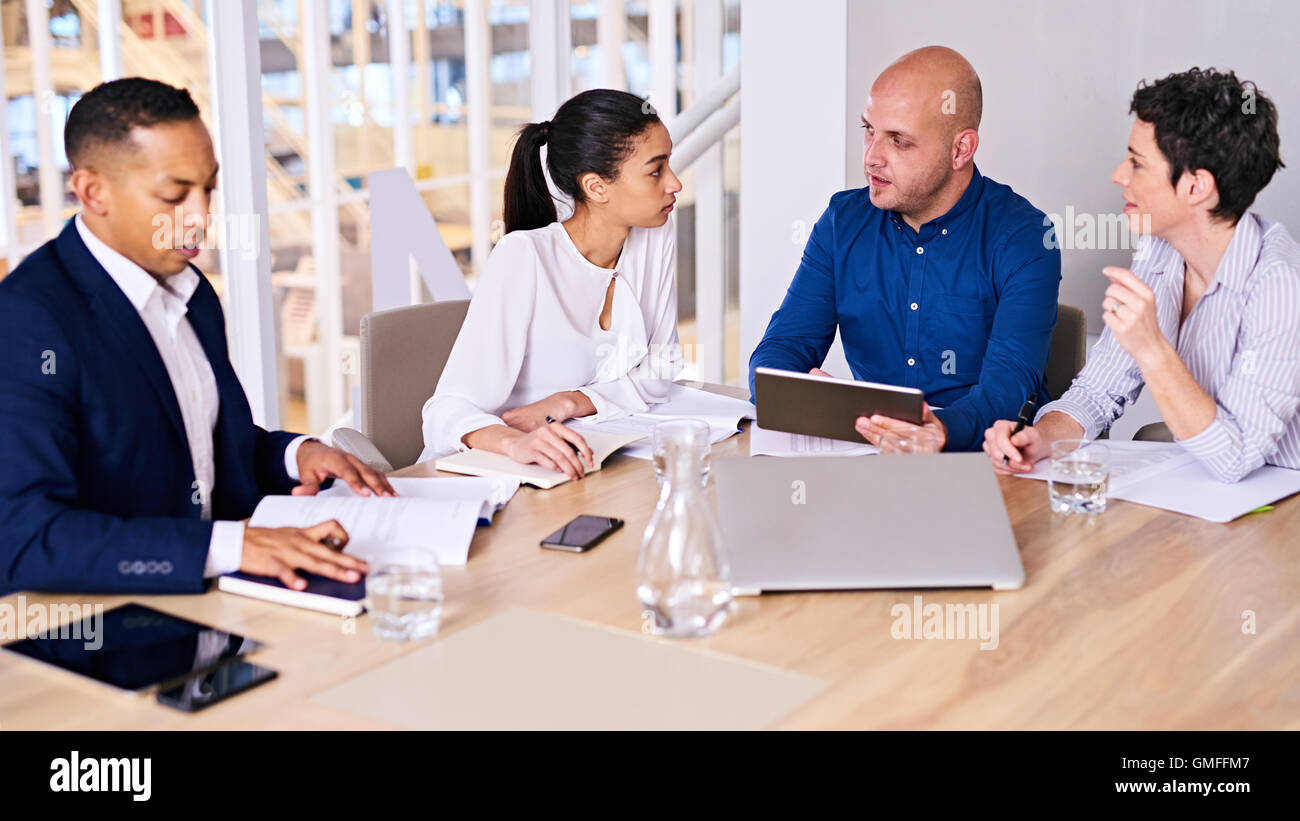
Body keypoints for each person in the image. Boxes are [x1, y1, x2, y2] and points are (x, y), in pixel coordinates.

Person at [0, 78, 393, 595]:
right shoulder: (28, 321)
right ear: (92, 192)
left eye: (208, 188)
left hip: (223, 608)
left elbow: (196, 443)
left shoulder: (192, 292)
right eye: (174, 194)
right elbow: (27, 538)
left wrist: (294, 454)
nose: (201, 217)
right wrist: (232, 545)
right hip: (106, 626)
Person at [984, 68, 1299, 483]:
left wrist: (1151, 347)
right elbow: (1098, 392)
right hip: (1207, 489)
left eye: (1137, 163)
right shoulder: (1160, 249)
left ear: (1195, 187)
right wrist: (1040, 439)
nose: (1119, 175)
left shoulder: (1280, 286)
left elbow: (1236, 457)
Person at [747, 46, 1061, 453]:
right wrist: (799, 391)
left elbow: (1007, 392)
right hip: (872, 457)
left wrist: (934, 430)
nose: (871, 157)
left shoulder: (1025, 236)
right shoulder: (843, 221)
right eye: (869, 130)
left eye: (898, 141)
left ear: (961, 149)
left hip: (984, 462)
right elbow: (780, 349)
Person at [420, 89, 684, 479]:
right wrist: (514, 441)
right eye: (655, 170)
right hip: (495, 475)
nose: (675, 184)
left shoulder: (655, 235)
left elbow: (660, 368)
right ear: (596, 187)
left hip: (581, 462)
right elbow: (443, 413)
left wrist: (568, 402)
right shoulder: (523, 256)